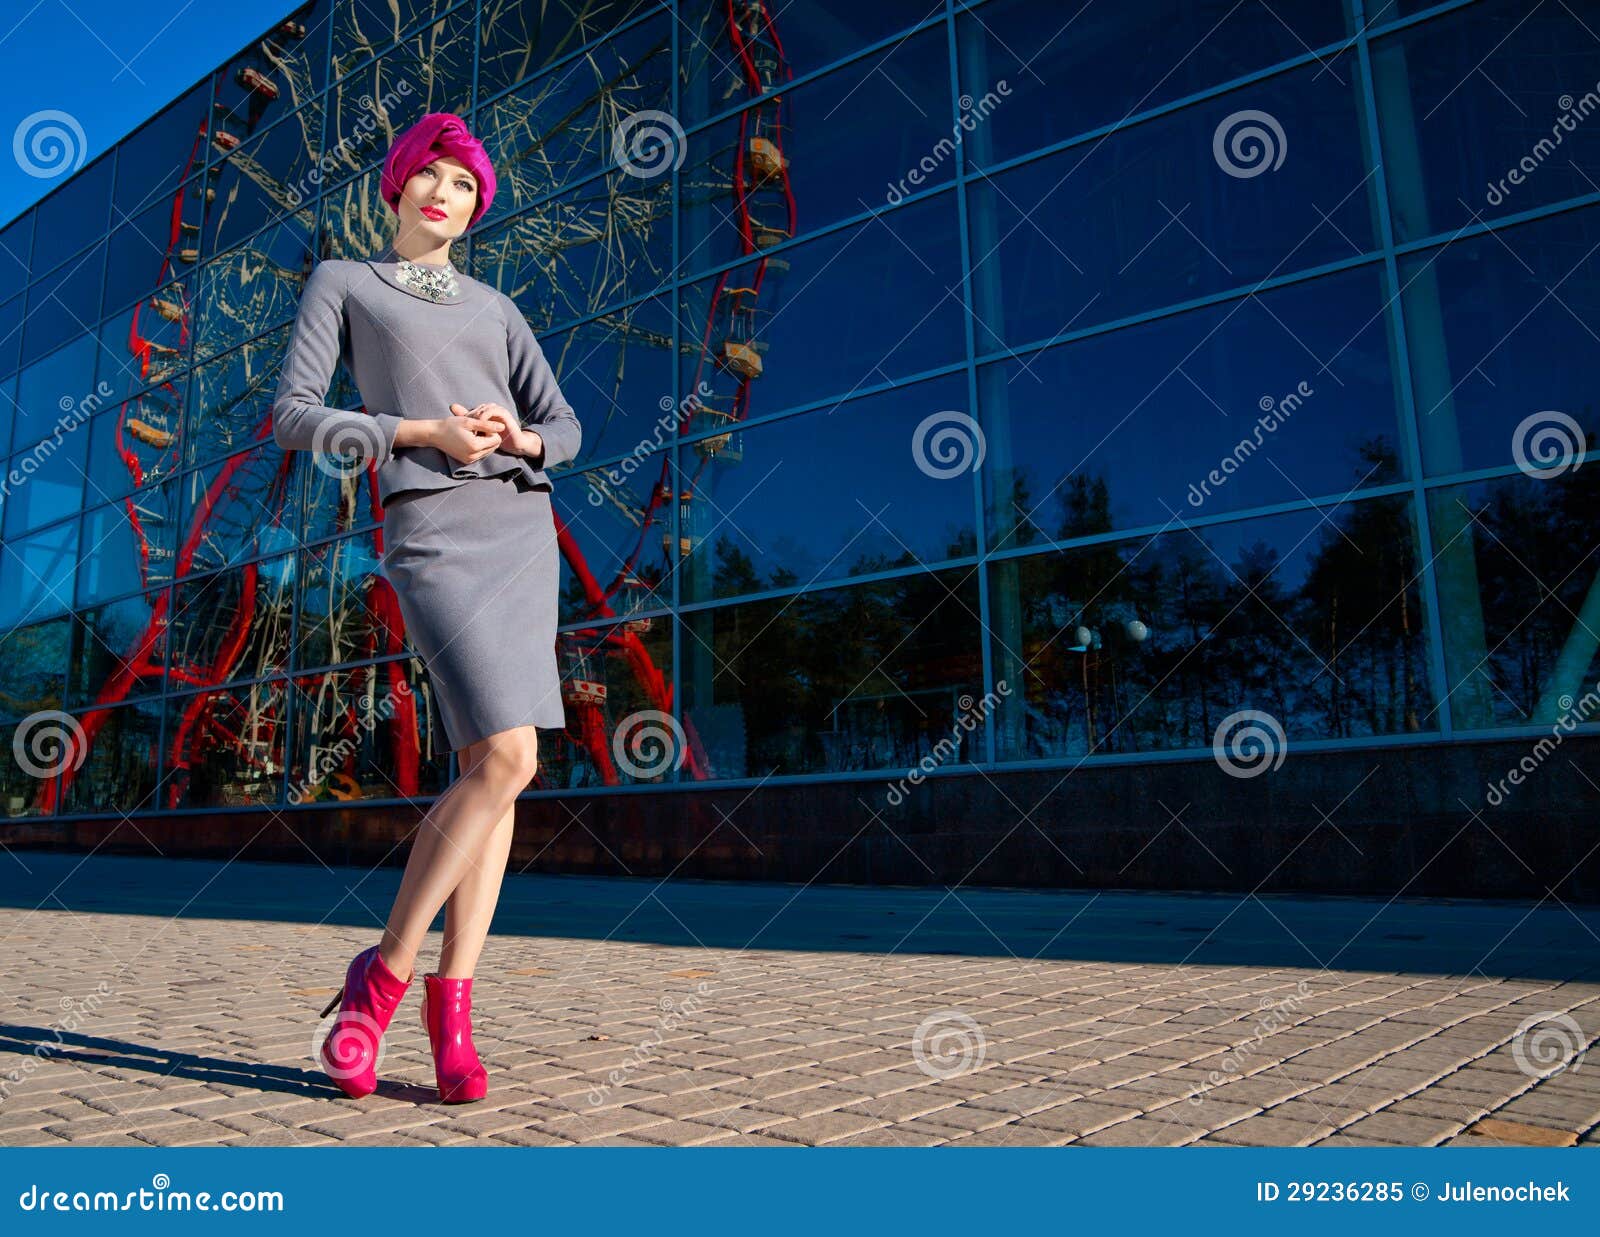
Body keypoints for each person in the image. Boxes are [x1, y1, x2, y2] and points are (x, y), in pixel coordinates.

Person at [270, 112, 582, 1105]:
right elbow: (291, 416)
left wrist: (517, 438)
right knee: (504, 759)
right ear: (396, 186)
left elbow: (568, 426)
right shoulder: (345, 283)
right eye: (429, 175)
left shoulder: (497, 308)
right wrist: (416, 432)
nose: (444, 193)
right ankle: (384, 982)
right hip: (433, 531)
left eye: (462, 182)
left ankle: (455, 1011)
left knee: (499, 772)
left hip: (520, 525)